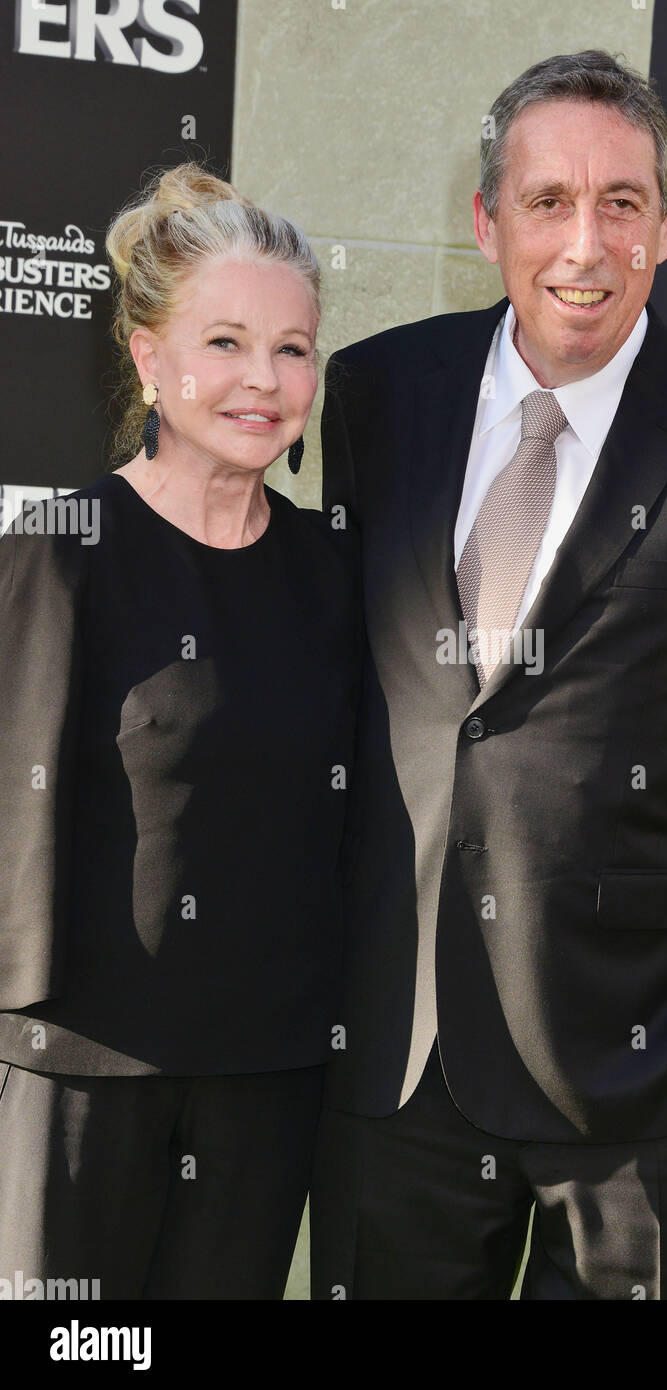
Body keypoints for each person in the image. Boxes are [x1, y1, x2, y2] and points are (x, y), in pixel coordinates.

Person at [310, 50, 667, 1300]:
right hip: (399, 1075)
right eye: (548, 201)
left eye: (622, 202)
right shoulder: (377, 395)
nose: (586, 243)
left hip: (648, 1101)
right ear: (485, 222)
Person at [0, 163, 360, 1299]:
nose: (264, 379)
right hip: (76, 1074)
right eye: (226, 343)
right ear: (150, 359)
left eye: (292, 349)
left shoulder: (332, 573)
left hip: (270, 1081)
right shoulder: (59, 551)